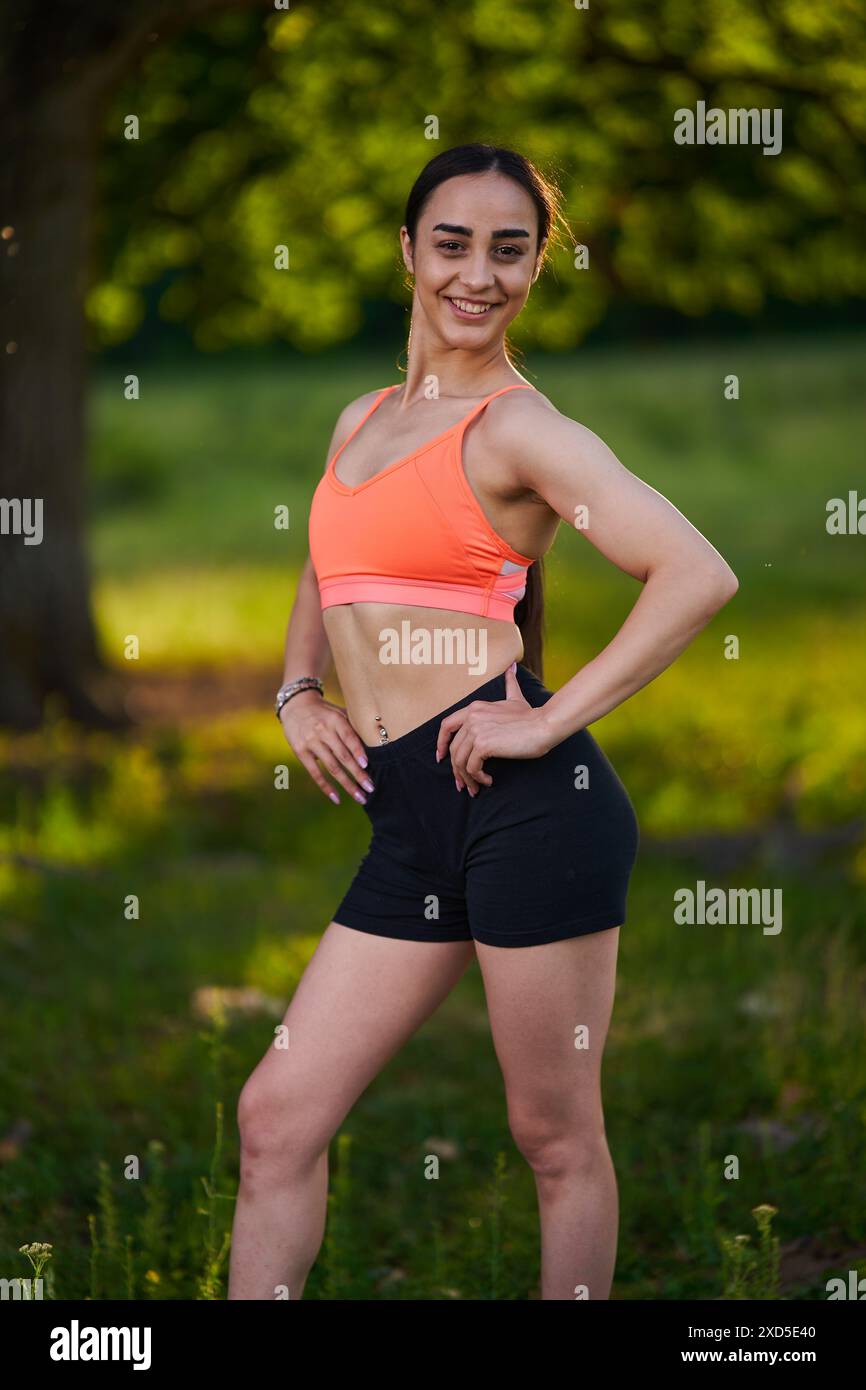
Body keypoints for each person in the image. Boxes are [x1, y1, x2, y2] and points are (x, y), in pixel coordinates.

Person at [227, 142, 738, 1301]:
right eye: (451, 243)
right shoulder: (361, 418)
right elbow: (326, 563)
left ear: (534, 268)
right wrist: (297, 688)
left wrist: (543, 728)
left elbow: (694, 572)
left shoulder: (518, 431)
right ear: (408, 250)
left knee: (552, 1138)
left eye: (509, 250)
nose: (477, 273)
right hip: (408, 821)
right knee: (275, 1119)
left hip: (525, 812)